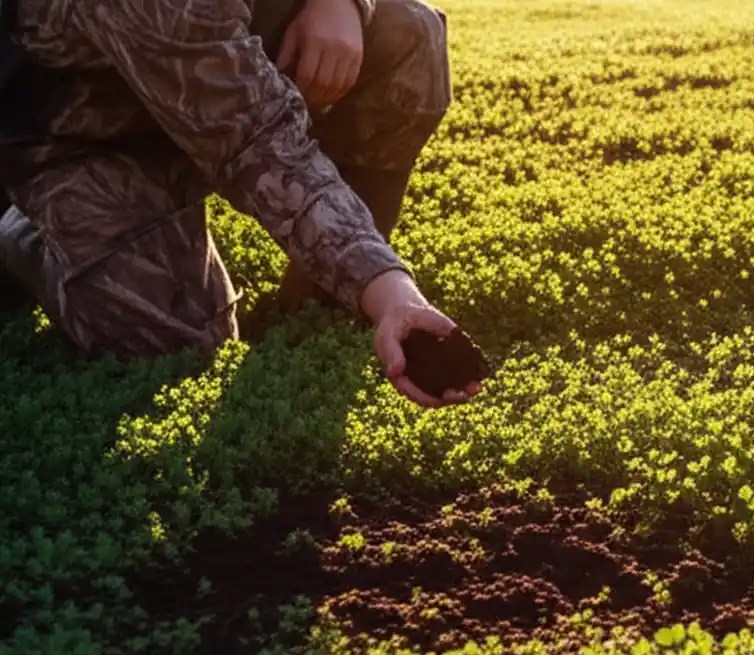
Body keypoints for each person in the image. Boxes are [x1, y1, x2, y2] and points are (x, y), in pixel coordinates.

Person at [0, 0, 481, 409]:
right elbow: (258, 145)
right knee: (176, 339)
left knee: (410, 34)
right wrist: (390, 289)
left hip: (219, 73)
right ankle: (25, 229)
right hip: (89, 135)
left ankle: (319, 303)